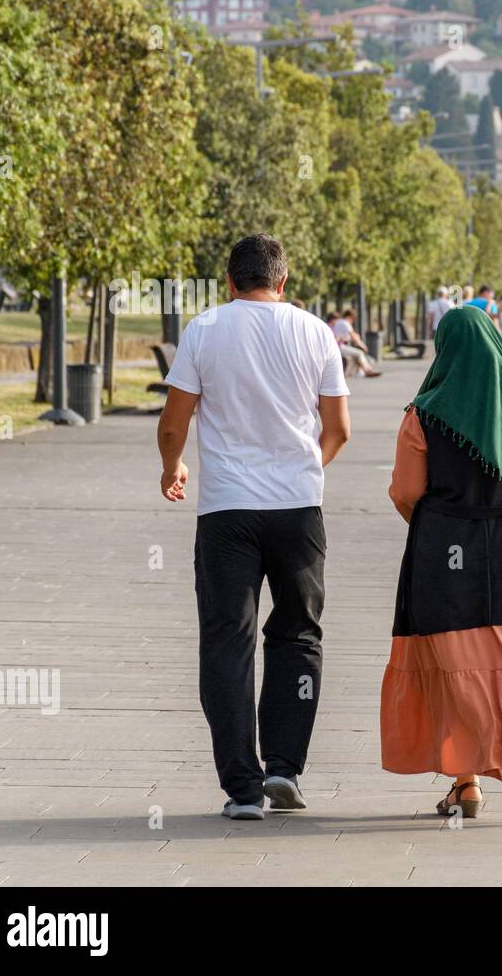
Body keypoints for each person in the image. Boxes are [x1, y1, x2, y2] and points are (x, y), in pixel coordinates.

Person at [157, 233, 352, 821]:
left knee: (228, 641)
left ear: (230, 280)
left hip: (226, 513)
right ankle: (285, 768)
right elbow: (338, 428)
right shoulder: (316, 331)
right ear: (284, 280)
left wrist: (173, 465)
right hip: (297, 510)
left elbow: (173, 424)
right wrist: (298, 470)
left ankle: (242, 789)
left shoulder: (206, 329)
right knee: (298, 634)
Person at [383, 307, 502, 820]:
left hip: (447, 563)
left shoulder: (423, 411)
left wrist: (439, 525)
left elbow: (406, 492)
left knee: (452, 671)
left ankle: (466, 784)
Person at [328, 311, 382, 377]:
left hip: (338, 346)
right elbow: (352, 334)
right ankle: (368, 370)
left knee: (353, 357)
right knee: (359, 353)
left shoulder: (336, 324)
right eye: (353, 319)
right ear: (349, 317)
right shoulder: (344, 323)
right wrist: (362, 345)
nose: (353, 321)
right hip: (338, 346)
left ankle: (354, 373)